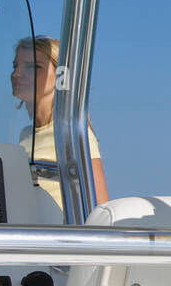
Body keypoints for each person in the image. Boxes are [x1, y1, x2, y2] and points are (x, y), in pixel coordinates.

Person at [11, 36, 109, 210]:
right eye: (16, 66)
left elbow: (100, 206)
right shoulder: (26, 135)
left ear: (60, 77)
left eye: (33, 67)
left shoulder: (73, 134)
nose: (17, 74)